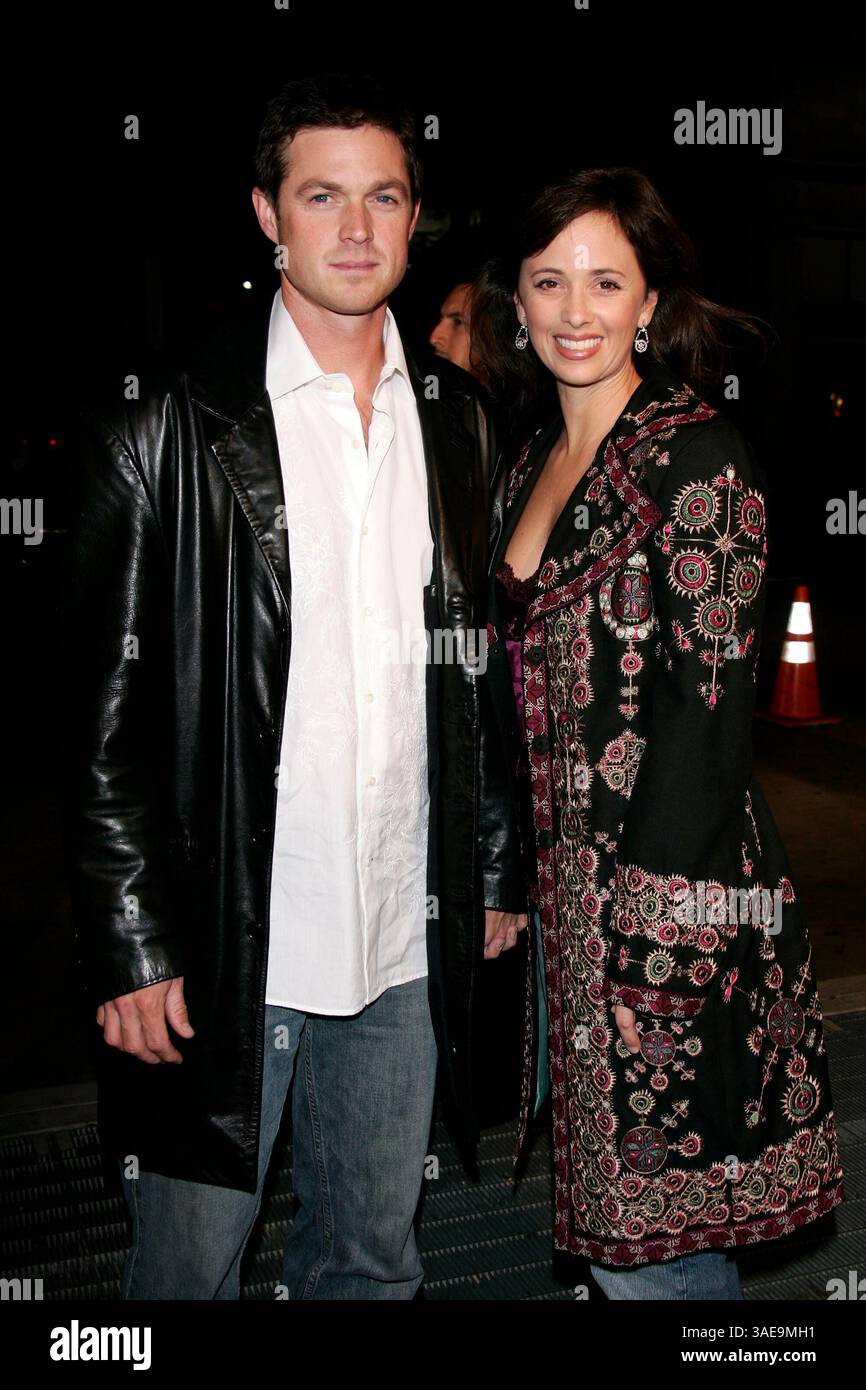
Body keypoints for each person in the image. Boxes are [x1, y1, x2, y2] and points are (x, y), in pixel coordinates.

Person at [65, 72, 526, 1301]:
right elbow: (100, 722)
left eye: (384, 196)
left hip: (399, 939)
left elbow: (472, 669)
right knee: (186, 1276)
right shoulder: (170, 426)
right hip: (228, 948)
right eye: (322, 196)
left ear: (414, 212)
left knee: (372, 1263)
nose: (358, 230)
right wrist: (131, 943)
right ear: (268, 214)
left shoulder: (459, 421)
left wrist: (486, 869)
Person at [471, 167, 845, 1300]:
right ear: (517, 303)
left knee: (656, 1256)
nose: (573, 311)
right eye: (548, 282)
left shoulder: (697, 457)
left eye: (603, 281)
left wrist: (650, 961)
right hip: (559, 921)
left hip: (661, 918)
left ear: (647, 303)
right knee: (605, 1237)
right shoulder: (527, 459)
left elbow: (707, 722)